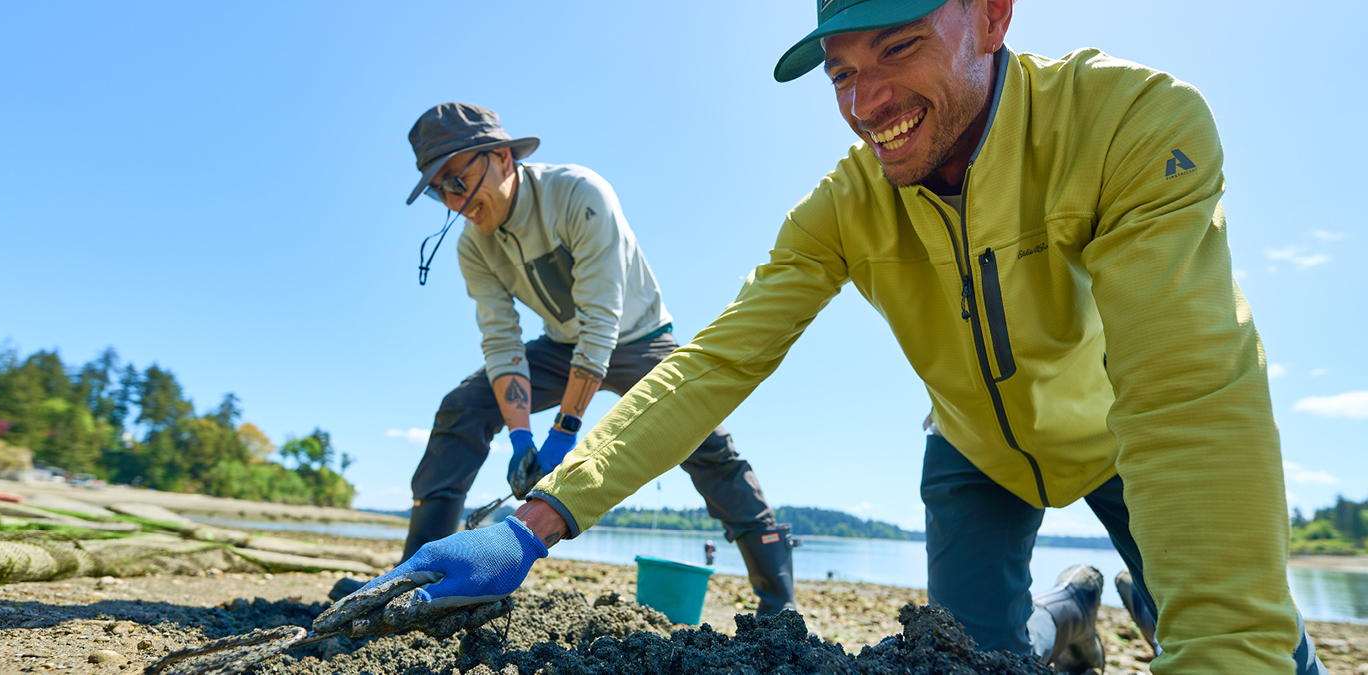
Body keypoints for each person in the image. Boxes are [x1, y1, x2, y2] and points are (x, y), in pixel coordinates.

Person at [348, 3, 1326, 672]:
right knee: (973, 662)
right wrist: (532, 520)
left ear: (989, 13)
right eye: (841, 72)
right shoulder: (842, 208)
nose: (865, 104)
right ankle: (1069, 618)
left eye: (898, 46)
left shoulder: (1127, 124)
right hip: (971, 458)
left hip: (1126, 439)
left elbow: (1186, 404)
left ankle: (1141, 602)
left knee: (1243, 638)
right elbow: (713, 368)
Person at [387, 102, 795, 616]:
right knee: (463, 407)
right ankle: (415, 578)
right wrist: (519, 437)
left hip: (637, 335)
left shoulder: (579, 194)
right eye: (438, 190)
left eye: (457, 179)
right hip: (561, 347)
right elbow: (502, 343)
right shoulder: (474, 248)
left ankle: (778, 603)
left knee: (706, 444)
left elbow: (601, 325)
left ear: (503, 159)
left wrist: (562, 434)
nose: (453, 201)